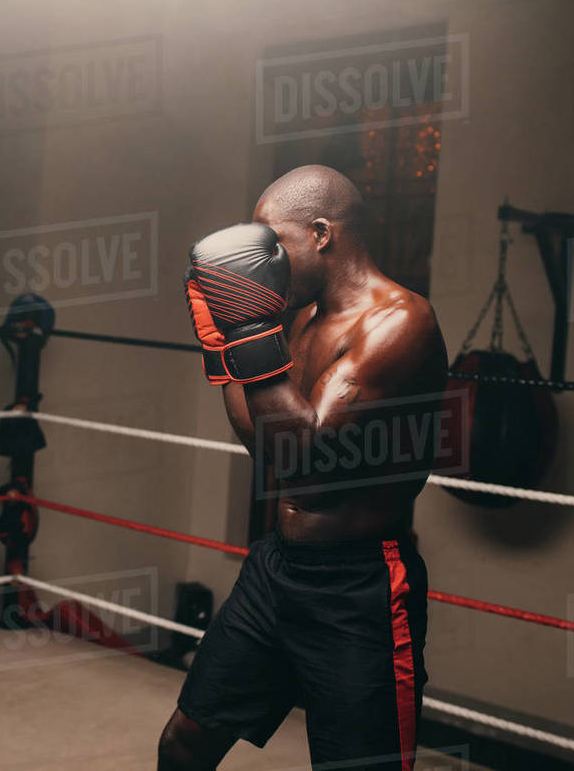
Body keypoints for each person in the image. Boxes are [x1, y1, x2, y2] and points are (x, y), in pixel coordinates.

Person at [159, 165, 448, 770]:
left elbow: (305, 458)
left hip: (360, 588)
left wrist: (247, 332)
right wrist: (224, 349)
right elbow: (265, 445)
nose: (262, 259)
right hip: (278, 569)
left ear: (321, 233)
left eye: (273, 241)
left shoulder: (399, 322)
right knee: (185, 742)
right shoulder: (303, 321)